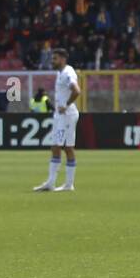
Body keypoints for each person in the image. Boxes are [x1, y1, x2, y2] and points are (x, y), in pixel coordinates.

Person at [33, 48, 80, 192]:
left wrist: (65, 105)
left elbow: (77, 91)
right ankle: (64, 184)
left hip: (66, 115)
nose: (52, 61)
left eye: (55, 59)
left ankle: (55, 183)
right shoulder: (61, 72)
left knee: (58, 147)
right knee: (66, 147)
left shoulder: (67, 73)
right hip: (63, 116)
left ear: (63, 59)